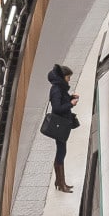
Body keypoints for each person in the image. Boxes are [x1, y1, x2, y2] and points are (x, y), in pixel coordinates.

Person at [46, 63, 79, 192]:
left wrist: (71, 98)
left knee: (61, 151)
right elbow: (57, 108)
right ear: (62, 77)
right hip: (60, 125)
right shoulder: (56, 89)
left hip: (63, 123)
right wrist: (71, 104)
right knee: (61, 152)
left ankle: (60, 181)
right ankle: (61, 183)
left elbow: (61, 102)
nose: (69, 79)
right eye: (68, 77)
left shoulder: (60, 88)